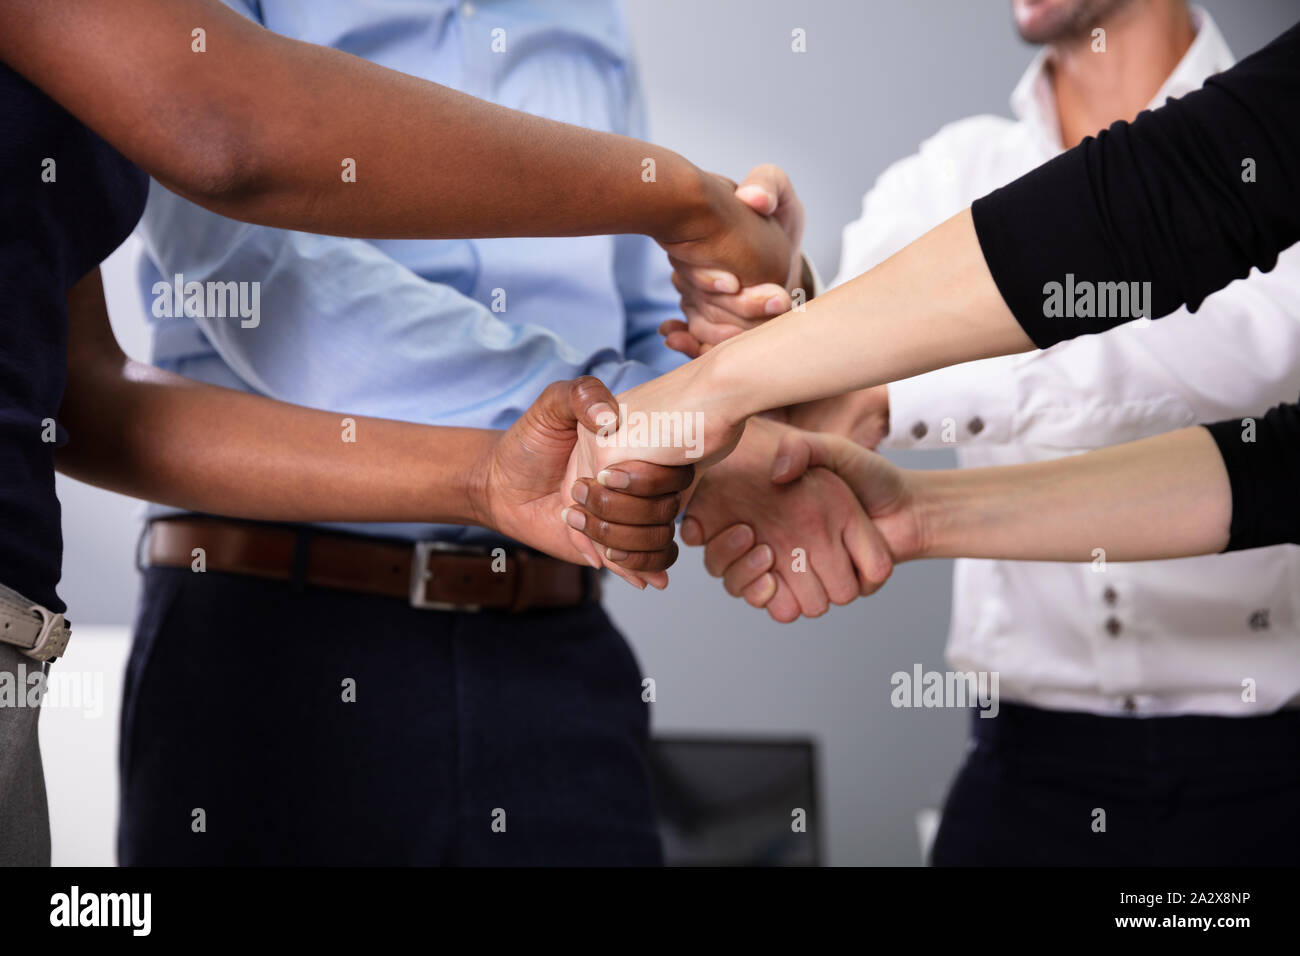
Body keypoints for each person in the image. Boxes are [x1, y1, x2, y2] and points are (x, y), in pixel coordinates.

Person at [0, 0, 804, 866]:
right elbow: (254, 249)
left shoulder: (592, 17)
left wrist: (758, 334)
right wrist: (644, 390)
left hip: (556, 627)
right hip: (275, 635)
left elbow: (654, 305)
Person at [564, 17, 1300, 864]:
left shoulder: (1258, 150)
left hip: (1260, 766)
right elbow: (827, 370)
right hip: (1024, 768)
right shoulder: (952, 169)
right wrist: (778, 298)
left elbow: (1229, 344)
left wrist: (835, 382)